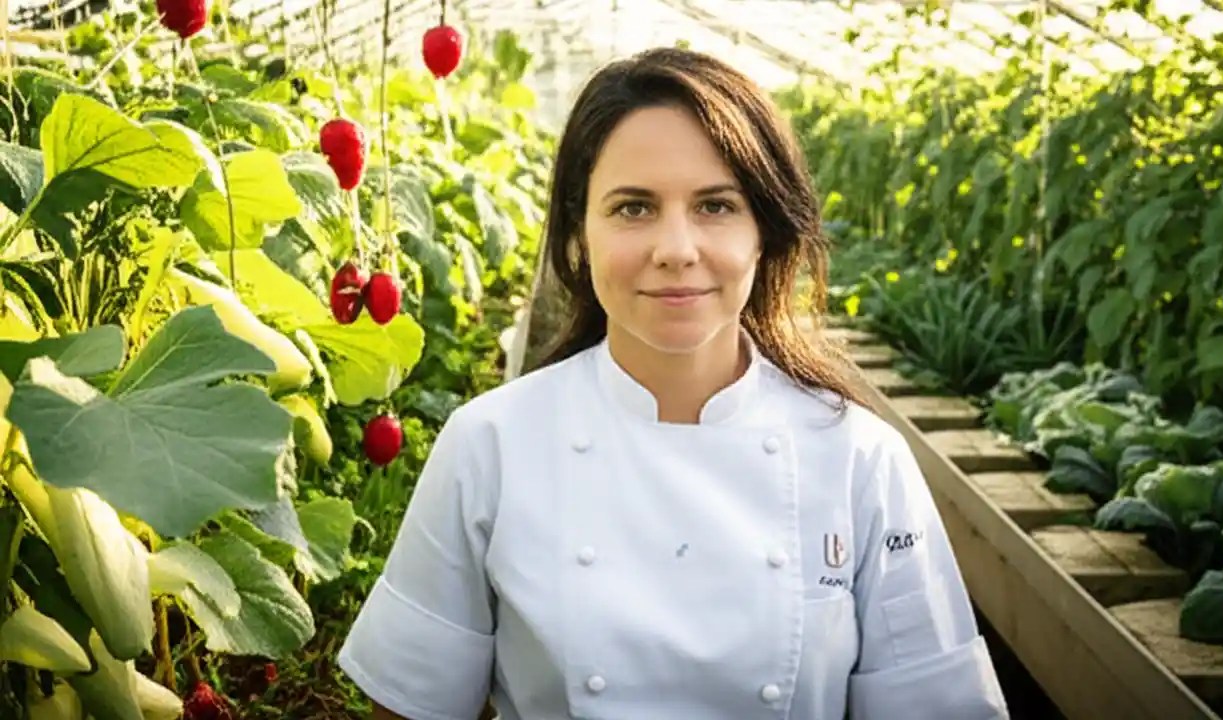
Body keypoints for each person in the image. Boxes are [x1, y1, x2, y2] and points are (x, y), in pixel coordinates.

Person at [337, 46, 1010, 720]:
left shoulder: (860, 458)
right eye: (634, 208)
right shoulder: (491, 444)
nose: (676, 249)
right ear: (579, 235)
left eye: (716, 206)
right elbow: (412, 704)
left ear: (764, 232)